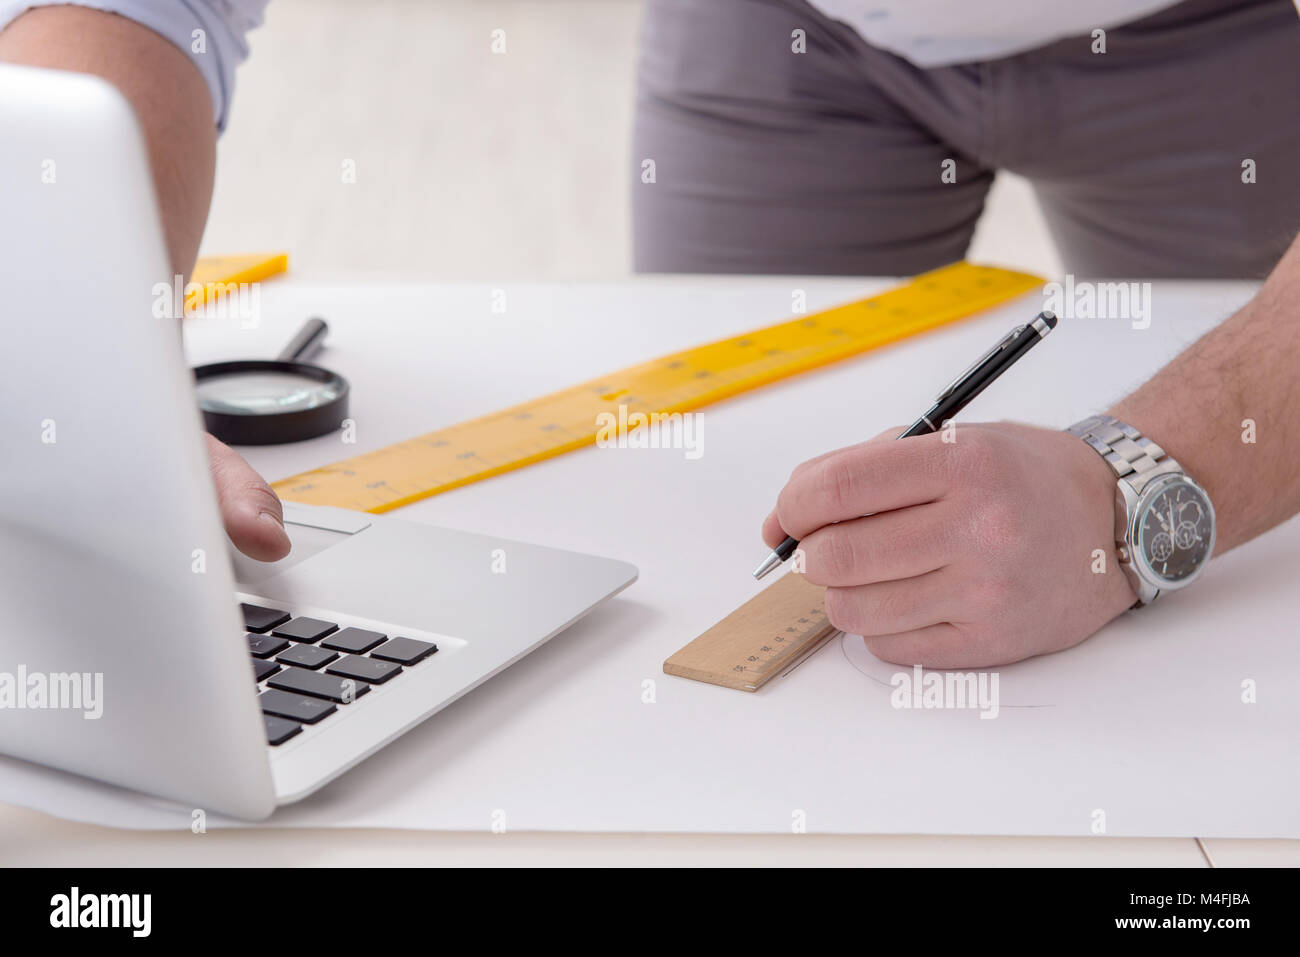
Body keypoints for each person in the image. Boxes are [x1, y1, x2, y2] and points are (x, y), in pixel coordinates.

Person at [2, 1, 1297, 669]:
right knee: (708, 497)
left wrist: (1138, 491)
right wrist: (81, 355)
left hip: (1234, 38)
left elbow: (1154, 497)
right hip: (802, 34)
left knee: (1222, 624)